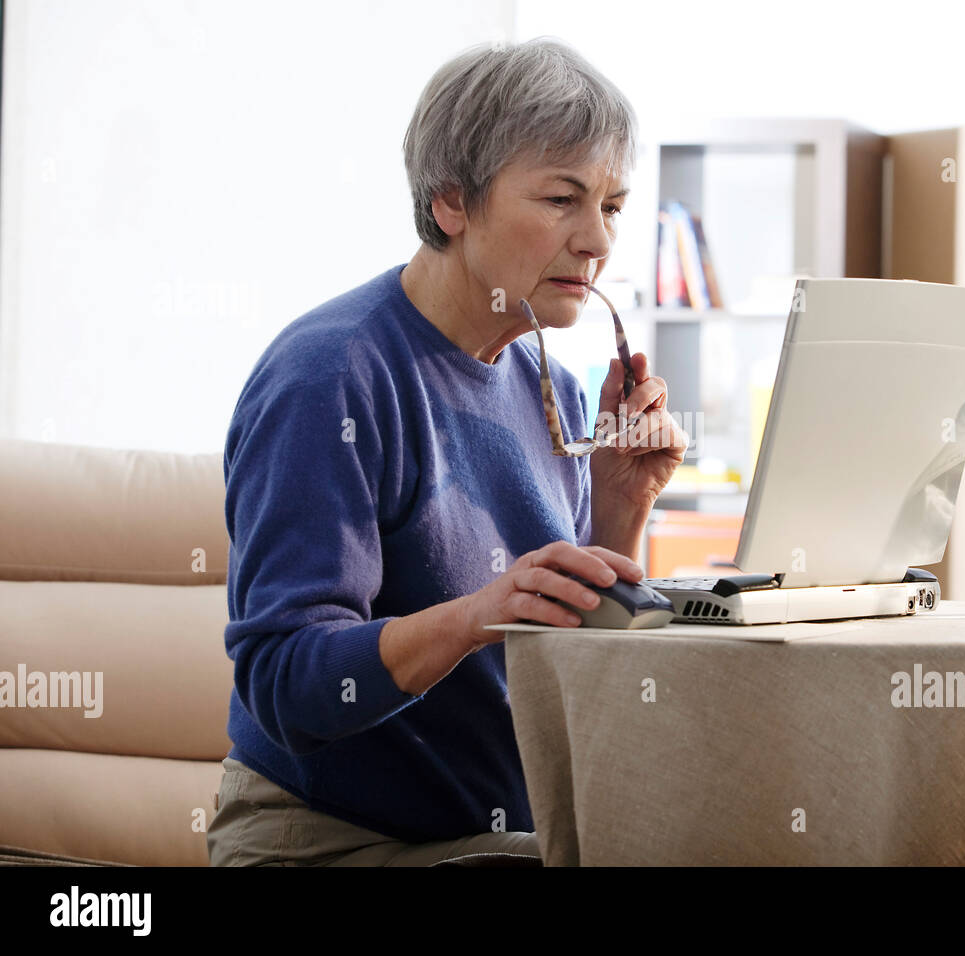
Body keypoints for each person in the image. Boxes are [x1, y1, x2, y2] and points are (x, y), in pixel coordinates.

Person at [206, 37, 688, 867]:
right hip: (327, 842)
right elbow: (287, 684)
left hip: (501, 840)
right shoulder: (330, 379)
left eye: (610, 206)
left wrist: (619, 506)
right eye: (562, 199)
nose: (597, 242)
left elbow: (563, 650)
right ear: (452, 202)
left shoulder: (553, 385)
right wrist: (474, 618)